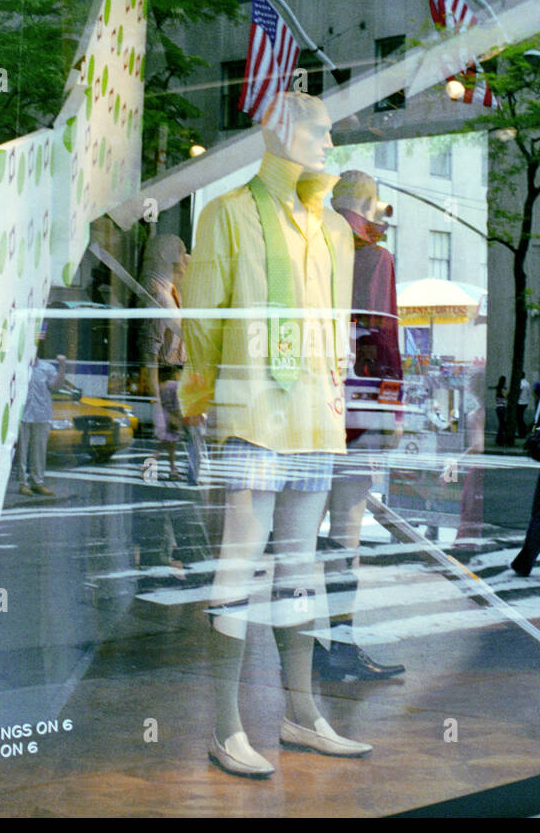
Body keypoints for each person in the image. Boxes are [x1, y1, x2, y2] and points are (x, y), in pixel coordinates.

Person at [179, 91, 369, 778]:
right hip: (255, 413)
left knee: (298, 564)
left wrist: (335, 394)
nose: (327, 139)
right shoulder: (227, 214)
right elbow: (202, 317)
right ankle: (226, 725)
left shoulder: (336, 232)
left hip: (314, 418)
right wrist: (205, 396)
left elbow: (339, 326)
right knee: (239, 558)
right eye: (315, 128)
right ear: (278, 130)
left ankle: (301, 712)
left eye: (328, 129)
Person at [315, 169, 406, 682]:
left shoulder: (310, 245)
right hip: (357, 404)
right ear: (371, 206)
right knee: (345, 534)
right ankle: (342, 643)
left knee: (300, 532)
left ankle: (309, 642)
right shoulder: (375, 257)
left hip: (307, 405)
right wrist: (391, 409)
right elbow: (382, 334)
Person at [139, 233, 190, 481]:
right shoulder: (159, 296)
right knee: (167, 431)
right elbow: (149, 353)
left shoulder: (170, 292)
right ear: (165, 256)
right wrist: (155, 404)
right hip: (166, 377)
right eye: (180, 251)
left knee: (172, 432)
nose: (185, 256)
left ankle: (169, 468)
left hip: (173, 377)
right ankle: (154, 466)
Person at [17, 343, 67, 497]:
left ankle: (38, 482)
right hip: (22, 415)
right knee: (22, 451)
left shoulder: (47, 368)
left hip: (41, 414)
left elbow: (56, 387)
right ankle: (23, 483)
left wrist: (62, 366)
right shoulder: (18, 368)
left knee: (39, 450)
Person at [516, 372, 533, 438]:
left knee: (519, 418)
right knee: (520, 417)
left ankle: (523, 431)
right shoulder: (527, 383)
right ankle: (523, 431)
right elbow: (529, 393)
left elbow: (519, 392)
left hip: (520, 402)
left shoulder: (520, 383)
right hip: (525, 402)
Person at [494, 376, 509, 445]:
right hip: (502, 407)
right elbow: (505, 397)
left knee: (501, 424)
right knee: (502, 424)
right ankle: (499, 439)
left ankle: (499, 439)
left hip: (498, 407)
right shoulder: (502, 389)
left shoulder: (498, 389)